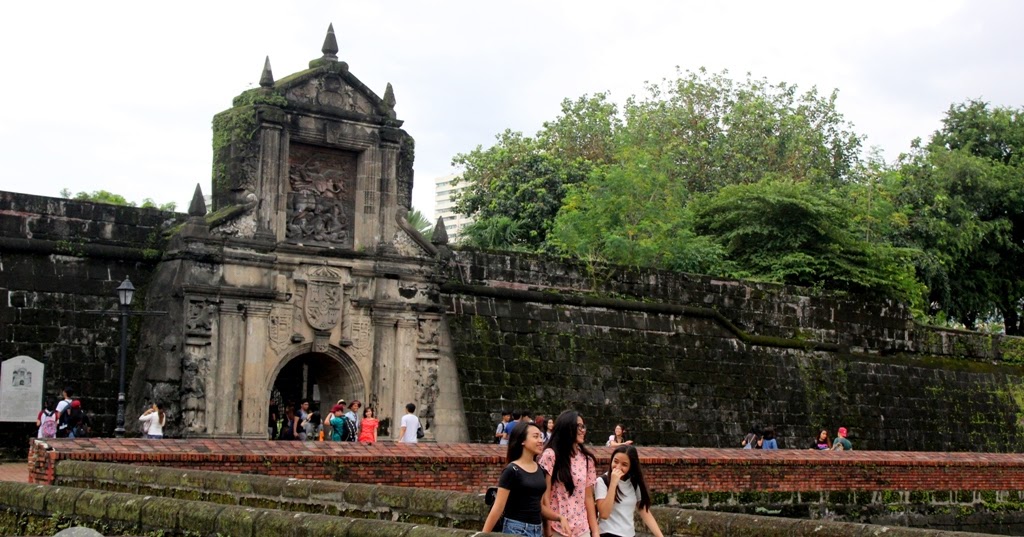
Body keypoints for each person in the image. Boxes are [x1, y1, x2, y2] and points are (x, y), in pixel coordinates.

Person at [483, 421, 567, 536]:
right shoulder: (512, 470)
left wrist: (559, 517)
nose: (540, 441)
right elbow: (498, 507)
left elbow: (538, 506)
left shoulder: (540, 470)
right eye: (535, 437)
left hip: (537, 529)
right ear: (522, 440)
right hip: (515, 529)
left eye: (541, 437)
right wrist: (483, 534)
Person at [538, 411, 599, 537]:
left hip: (582, 529)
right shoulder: (550, 455)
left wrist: (595, 531)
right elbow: (545, 497)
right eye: (578, 426)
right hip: (557, 528)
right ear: (566, 427)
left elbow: (588, 498)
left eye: (583, 426)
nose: (582, 430)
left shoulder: (587, 460)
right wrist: (548, 530)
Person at [595, 445, 665, 537]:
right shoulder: (602, 481)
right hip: (608, 532)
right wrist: (613, 484)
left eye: (624, 464)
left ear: (631, 466)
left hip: (629, 534)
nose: (618, 467)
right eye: (615, 462)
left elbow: (644, 511)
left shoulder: (634, 483)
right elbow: (604, 514)